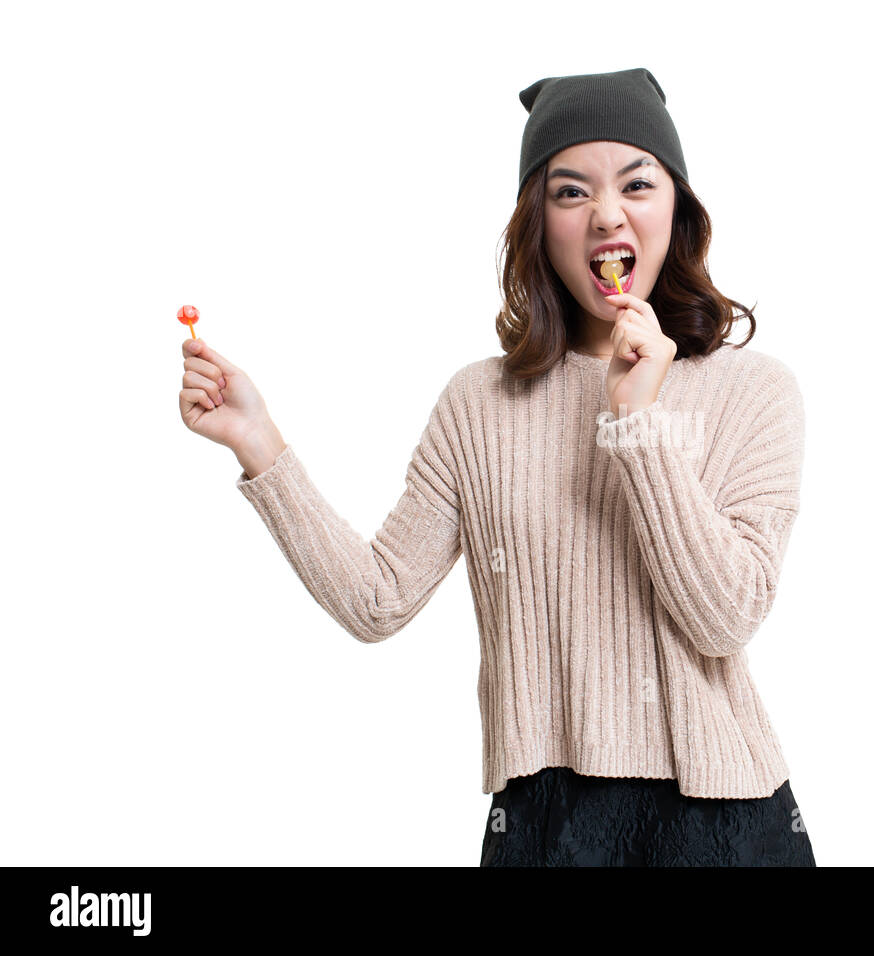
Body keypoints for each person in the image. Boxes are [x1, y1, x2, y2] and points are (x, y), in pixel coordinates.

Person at [177, 67, 814, 867]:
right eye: (571, 192)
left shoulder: (754, 391)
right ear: (538, 224)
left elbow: (725, 617)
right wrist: (258, 441)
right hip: (544, 826)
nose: (607, 215)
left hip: (723, 824)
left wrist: (639, 421)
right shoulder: (481, 402)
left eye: (637, 184)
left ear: (676, 209)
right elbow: (379, 601)